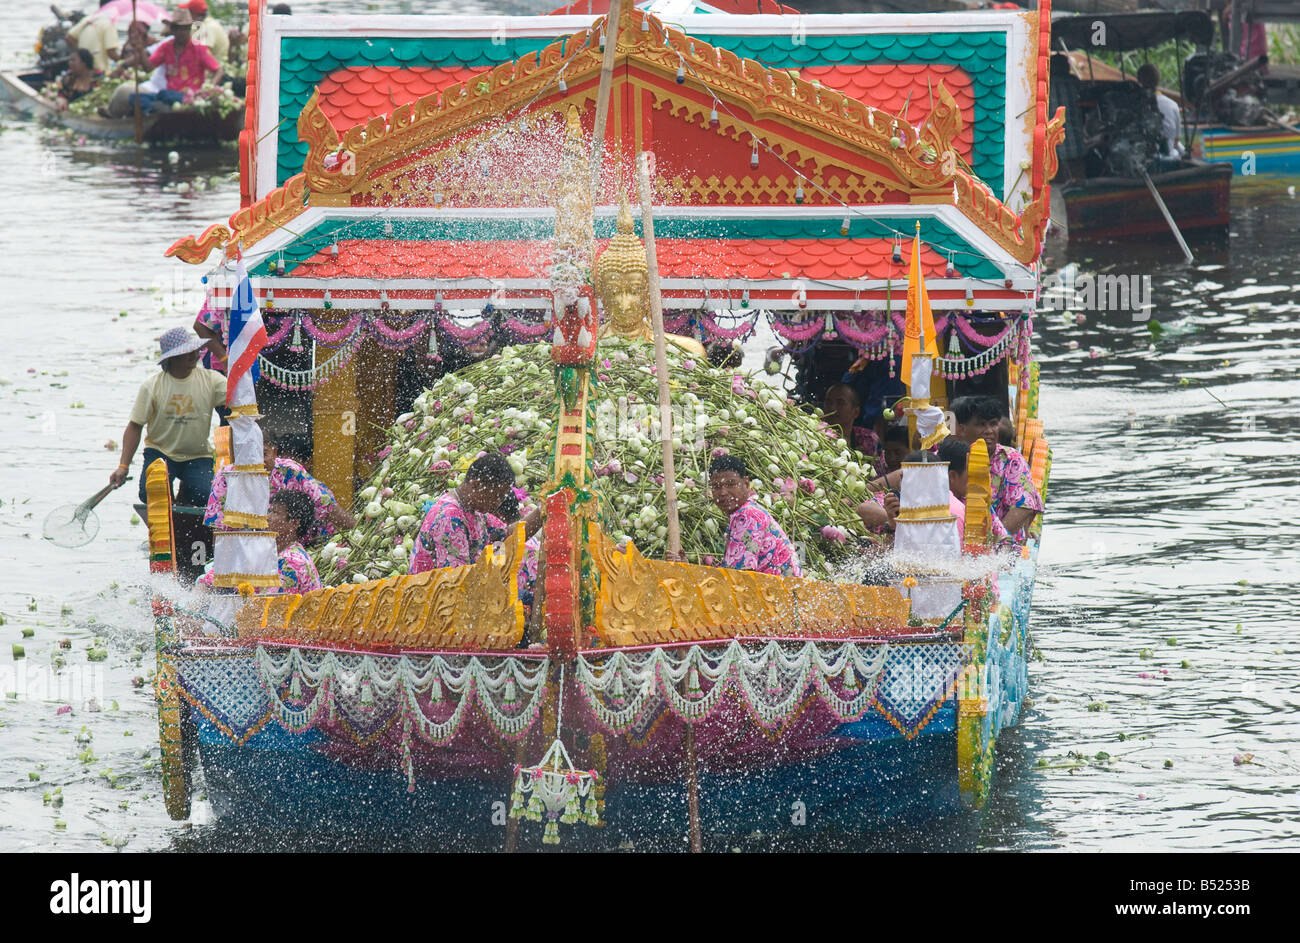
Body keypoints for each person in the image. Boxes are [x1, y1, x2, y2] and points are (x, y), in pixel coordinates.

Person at [111, 328, 227, 506]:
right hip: (160, 453)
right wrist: (123, 466)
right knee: (150, 495)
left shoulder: (212, 380)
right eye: (186, 352)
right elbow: (135, 426)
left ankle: (185, 495)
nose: (193, 355)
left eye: (194, 350)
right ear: (171, 359)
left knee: (206, 497)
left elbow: (238, 398)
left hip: (197, 455)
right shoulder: (152, 386)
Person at [205, 431, 355, 542]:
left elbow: (326, 504)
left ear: (275, 452)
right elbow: (219, 528)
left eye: (263, 453)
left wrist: (356, 533)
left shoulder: (290, 470)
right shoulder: (226, 478)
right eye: (250, 455)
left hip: (303, 544)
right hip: (247, 549)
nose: (257, 462)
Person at [409, 452, 541, 574]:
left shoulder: (474, 510)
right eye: (497, 495)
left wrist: (542, 512)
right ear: (476, 485)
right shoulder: (449, 517)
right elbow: (459, 579)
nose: (498, 502)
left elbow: (508, 536)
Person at [950, 395, 1042, 542]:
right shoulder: (949, 456)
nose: (989, 431)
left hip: (1003, 545)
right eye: (981, 424)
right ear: (961, 429)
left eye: (993, 424)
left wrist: (991, 544)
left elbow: (1023, 506)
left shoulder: (1011, 459)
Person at [199, 490, 323, 594]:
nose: (267, 517)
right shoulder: (266, 550)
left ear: (294, 523)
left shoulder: (291, 562)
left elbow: (266, 611)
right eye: (269, 511)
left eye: (275, 512)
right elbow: (214, 576)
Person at [703, 454, 801, 577]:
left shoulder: (747, 516)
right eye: (716, 487)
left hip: (777, 592)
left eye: (731, 484)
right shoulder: (749, 512)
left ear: (746, 484)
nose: (723, 492)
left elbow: (737, 577)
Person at [130, 8, 223, 114]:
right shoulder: (166, 47)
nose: (180, 32)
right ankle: (161, 112)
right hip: (169, 96)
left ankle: (163, 111)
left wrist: (207, 90)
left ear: (189, 29)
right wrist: (140, 49)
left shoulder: (199, 48)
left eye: (183, 29)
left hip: (189, 97)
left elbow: (218, 70)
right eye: (176, 29)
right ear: (172, 30)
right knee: (135, 98)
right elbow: (148, 68)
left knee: (164, 95)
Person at [935, 437, 1008, 543]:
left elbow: (1004, 539)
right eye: (972, 475)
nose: (976, 480)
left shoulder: (976, 499)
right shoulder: (945, 509)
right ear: (952, 476)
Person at [1136, 64, 1183, 165]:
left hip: (1143, 161)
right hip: (1170, 159)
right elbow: (1176, 141)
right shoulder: (1172, 105)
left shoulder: (1134, 105)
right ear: (1158, 80)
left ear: (1139, 81)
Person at [822, 382, 880, 461]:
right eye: (828, 402)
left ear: (856, 412)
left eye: (840, 403)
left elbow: (878, 471)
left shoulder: (868, 438)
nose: (832, 408)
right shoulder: (814, 436)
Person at [64, 0, 120, 72]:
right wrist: (125, 63)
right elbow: (111, 52)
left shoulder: (89, 19)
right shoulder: (108, 24)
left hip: (85, 69)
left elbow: (69, 37)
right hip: (100, 71)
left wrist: (84, 55)